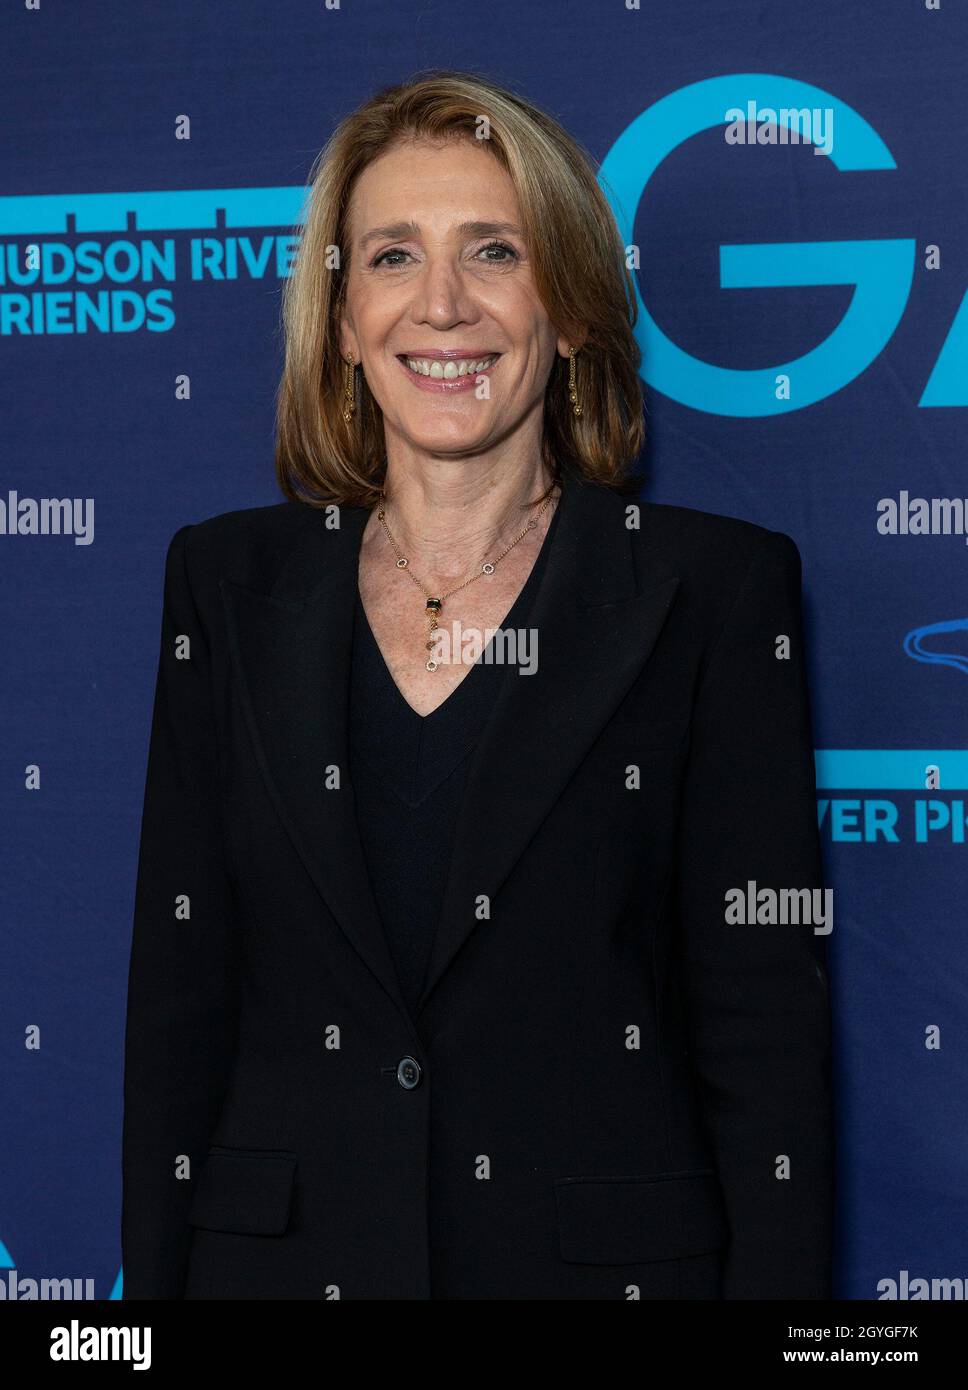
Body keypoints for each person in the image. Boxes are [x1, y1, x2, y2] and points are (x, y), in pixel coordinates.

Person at [121, 69, 833, 1300]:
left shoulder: (709, 593)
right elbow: (180, 1002)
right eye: (391, 257)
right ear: (341, 319)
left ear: (566, 309)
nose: (440, 305)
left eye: (492, 251)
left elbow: (762, 1028)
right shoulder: (225, 585)